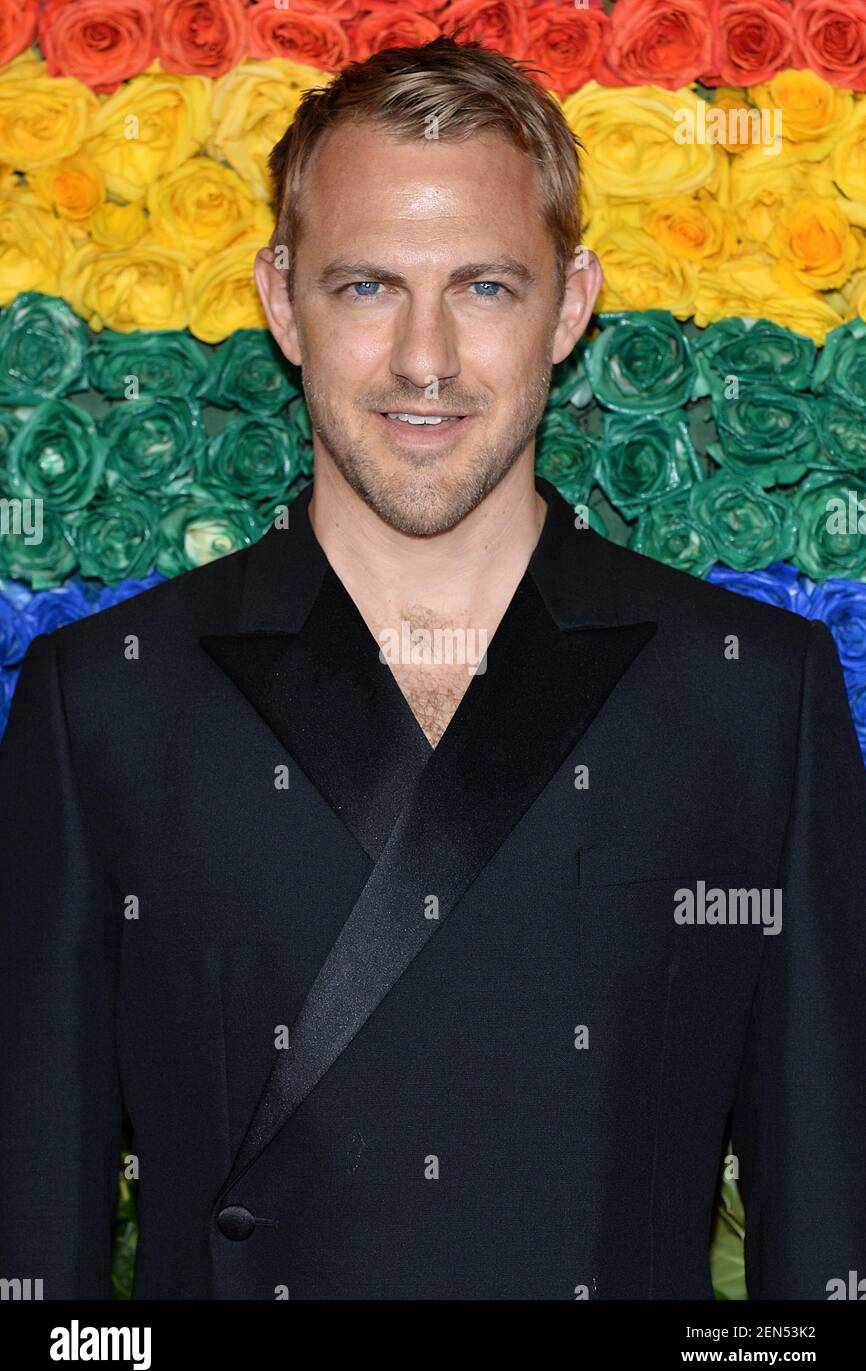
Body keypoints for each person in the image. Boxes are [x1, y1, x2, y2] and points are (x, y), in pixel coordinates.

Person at [1, 37, 864, 1301]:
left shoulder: (750, 695)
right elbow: (38, 1253)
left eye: (483, 288)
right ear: (280, 300)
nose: (423, 359)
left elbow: (825, 1229)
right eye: (364, 288)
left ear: (571, 304)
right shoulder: (105, 704)